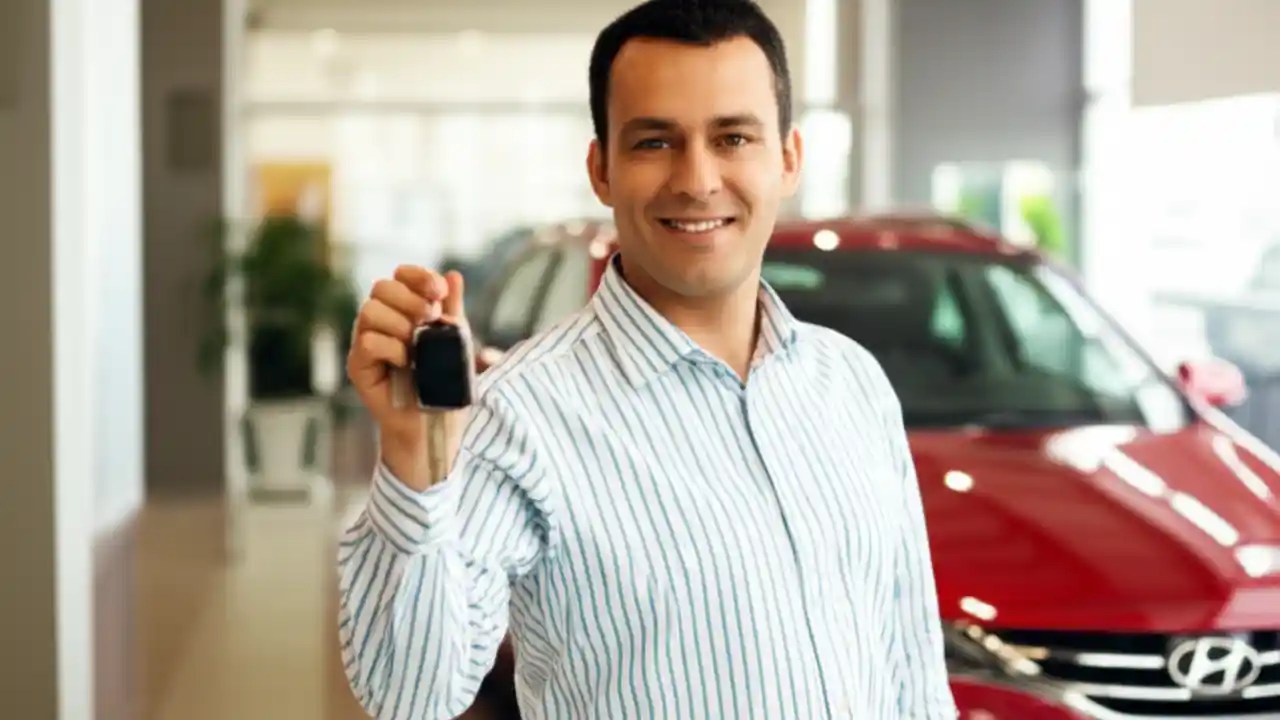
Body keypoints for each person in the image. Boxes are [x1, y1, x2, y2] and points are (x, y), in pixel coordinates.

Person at [338, 0, 957, 717]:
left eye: (732, 138)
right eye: (655, 142)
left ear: (787, 159)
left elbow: (912, 671)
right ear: (601, 169)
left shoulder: (851, 385)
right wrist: (416, 466)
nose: (697, 180)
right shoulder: (523, 415)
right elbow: (410, 694)